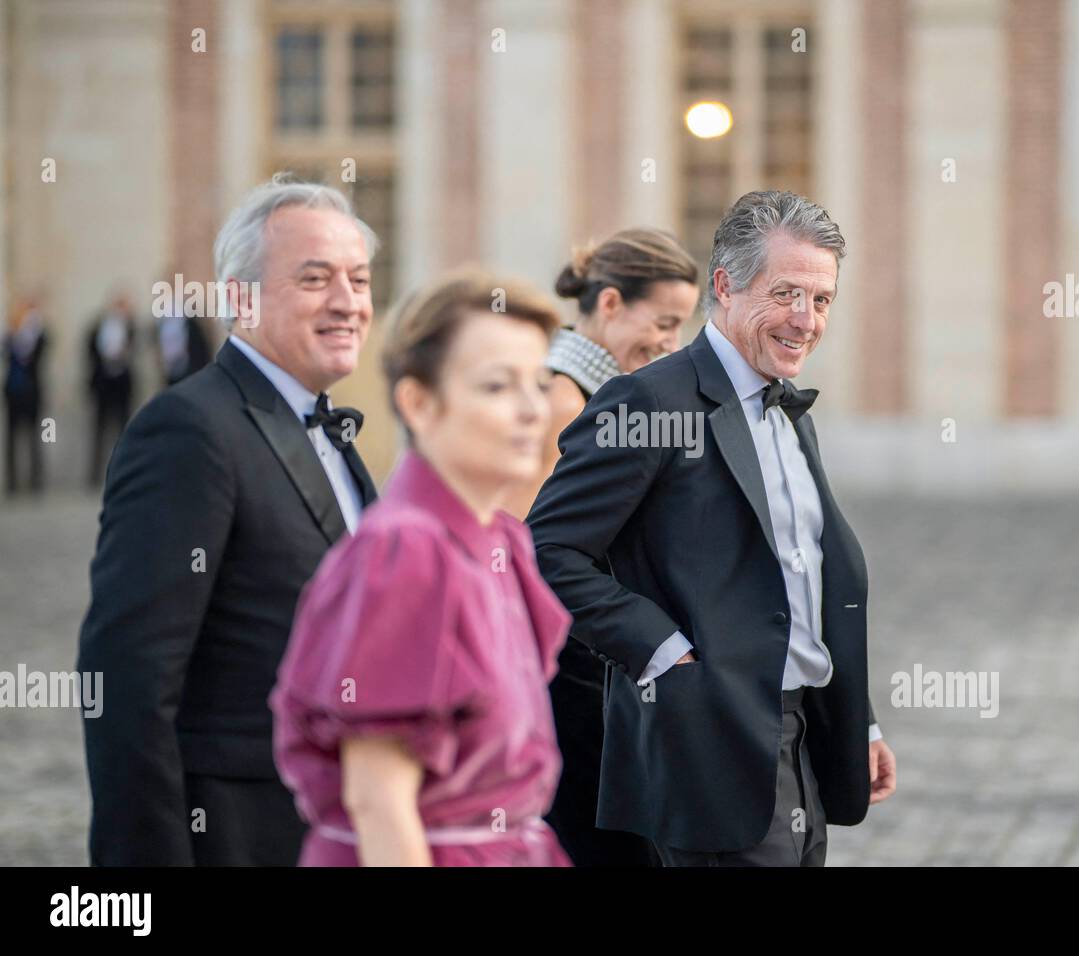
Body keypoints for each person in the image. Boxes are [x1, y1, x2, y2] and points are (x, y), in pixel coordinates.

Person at [528, 190, 898, 866]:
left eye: (821, 301)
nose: (805, 320)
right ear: (724, 286)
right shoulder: (647, 398)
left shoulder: (791, 411)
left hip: (806, 743)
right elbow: (545, 551)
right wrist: (661, 651)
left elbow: (804, 577)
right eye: (785, 293)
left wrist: (858, 718)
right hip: (709, 749)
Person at [77, 175, 379, 866]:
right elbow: (125, 677)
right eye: (315, 279)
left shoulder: (329, 426)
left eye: (359, 280)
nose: (348, 302)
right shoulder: (189, 428)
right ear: (240, 298)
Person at [270, 272, 572, 867]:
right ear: (418, 403)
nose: (532, 410)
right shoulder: (404, 551)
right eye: (496, 386)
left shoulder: (501, 541)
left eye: (539, 383)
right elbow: (379, 801)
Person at [502, 228, 698, 867]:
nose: (671, 343)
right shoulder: (562, 399)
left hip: (588, 661)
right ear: (609, 303)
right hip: (564, 670)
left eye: (681, 328)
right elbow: (520, 548)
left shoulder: (605, 394)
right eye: (664, 322)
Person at [85, 293, 137, 487]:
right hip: (103, 386)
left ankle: (123, 472)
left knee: (123, 430)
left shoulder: (130, 327)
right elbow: (90, 352)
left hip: (122, 385)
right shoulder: (98, 326)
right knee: (99, 431)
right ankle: (95, 475)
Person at [3, 298, 49, 495]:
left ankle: (35, 480)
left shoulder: (39, 336)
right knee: (12, 438)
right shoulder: (10, 336)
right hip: (13, 392)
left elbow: (41, 350)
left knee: (35, 437)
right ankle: (12, 481)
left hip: (32, 393)